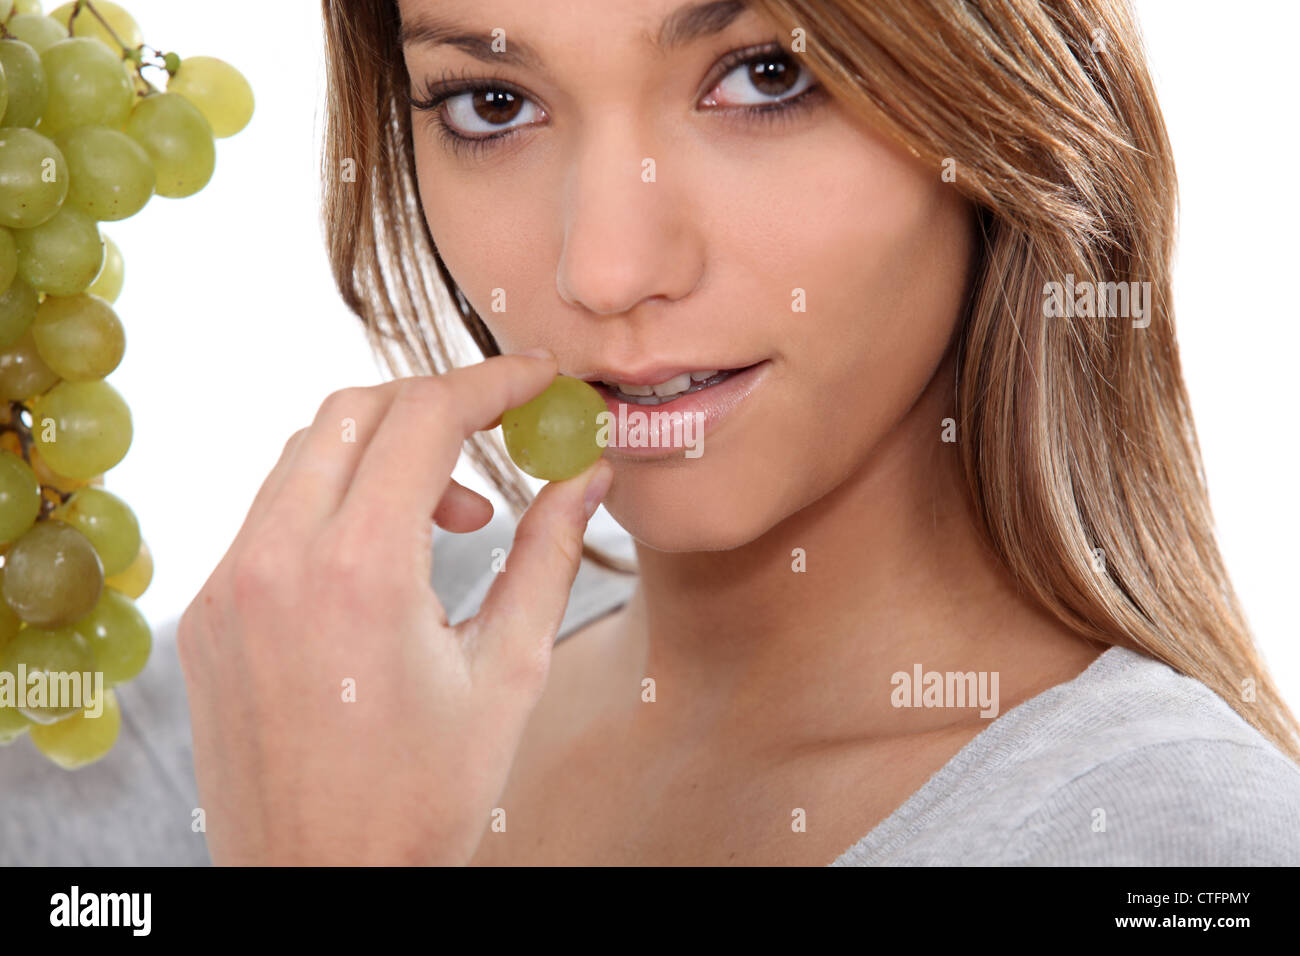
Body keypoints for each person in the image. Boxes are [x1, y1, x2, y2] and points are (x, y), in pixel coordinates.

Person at [172, 0, 1300, 865]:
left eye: (767, 76)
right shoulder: (291, 671)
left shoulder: (1175, 847)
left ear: (997, 100)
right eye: (491, 102)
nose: (603, 269)